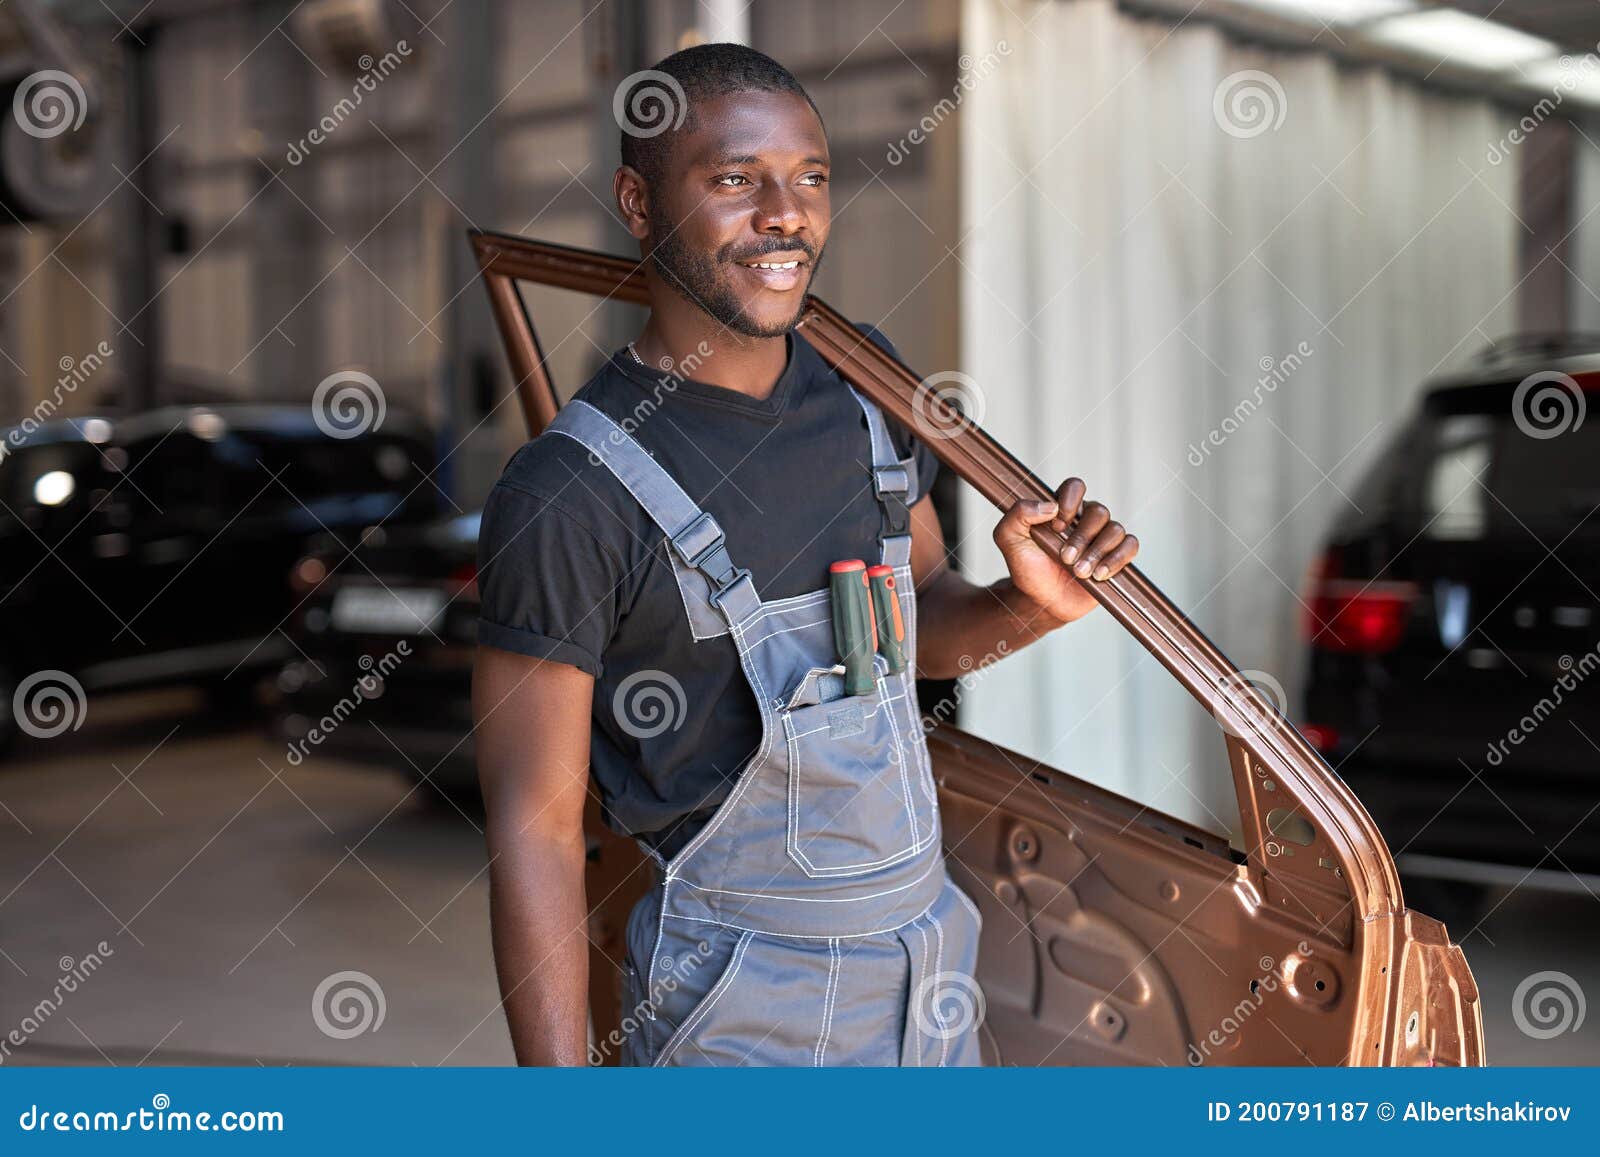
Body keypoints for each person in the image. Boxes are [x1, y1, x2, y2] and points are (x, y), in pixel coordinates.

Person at [472, 43, 1138, 1067]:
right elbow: (536, 833)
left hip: (931, 975)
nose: (786, 214)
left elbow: (922, 622)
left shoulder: (867, 386)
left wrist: (1031, 605)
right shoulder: (569, 492)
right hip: (741, 1013)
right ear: (638, 203)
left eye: (811, 178)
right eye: (737, 179)